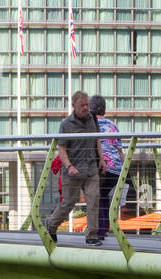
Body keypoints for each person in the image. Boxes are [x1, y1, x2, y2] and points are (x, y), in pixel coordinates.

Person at [44, 91, 106, 245]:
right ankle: (51, 224)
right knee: (68, 203)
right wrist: (69, 166)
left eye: (87, 105)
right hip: (73, 170)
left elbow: (96, 139)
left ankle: (92, 235)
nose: (86, 108)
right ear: (74, 106)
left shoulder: (93, 119)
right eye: (82, 105)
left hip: (91, 168)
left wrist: (102, 159)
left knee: (93, 201)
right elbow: (62, 149)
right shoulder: (66, 124)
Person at [90, 95, 123, 236]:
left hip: (99, 167)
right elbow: (120, 150)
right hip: (115, 168)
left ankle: (100, 230)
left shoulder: (89, 125)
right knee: (104, 197)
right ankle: (103, 229)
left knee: (97, 198)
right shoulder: (112, 125)